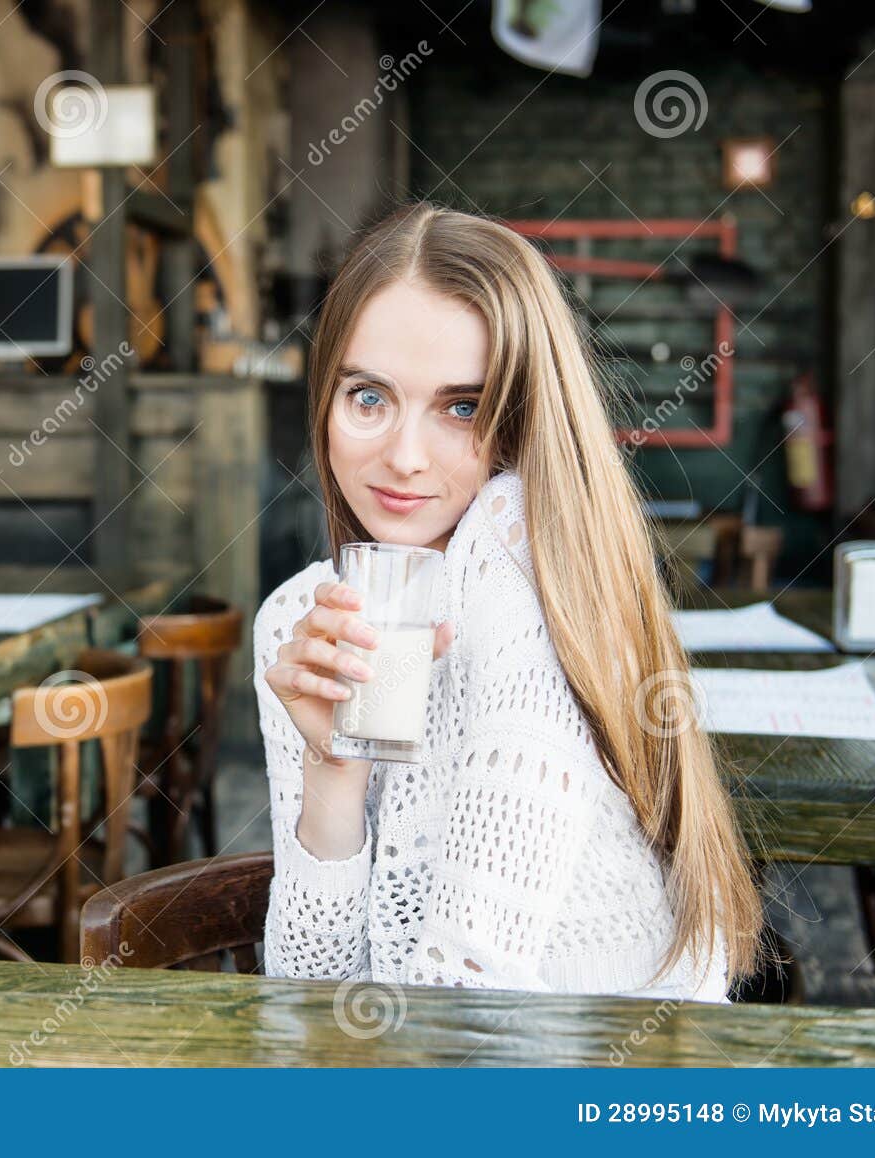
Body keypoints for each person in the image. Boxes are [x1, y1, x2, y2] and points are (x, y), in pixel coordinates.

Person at [256, 202, 763, 999]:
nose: (405, 458)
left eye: (463, 408)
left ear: (521, 421)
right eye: (368, 397)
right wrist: (332, 769)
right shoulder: (296, 622)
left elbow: (472, 975)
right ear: (325, 397)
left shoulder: (518, 552)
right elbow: (306, 990)